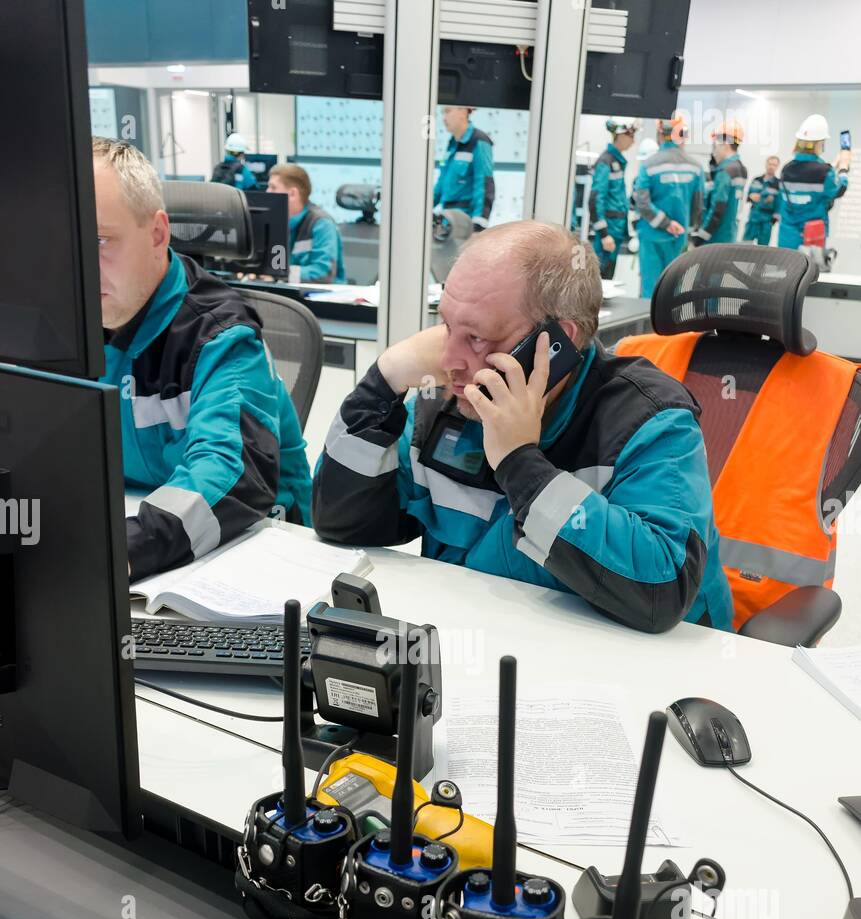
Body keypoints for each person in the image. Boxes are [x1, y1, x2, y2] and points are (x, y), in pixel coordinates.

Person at [313, 221, 732, 634]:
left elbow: (662, 593)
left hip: (627, 673)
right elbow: (344, 523)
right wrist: (382, 383)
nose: (448, 358)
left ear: (555, 342)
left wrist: (520, 463)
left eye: (477, 337)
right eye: (446, 326)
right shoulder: (447, 398)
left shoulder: (650, 420)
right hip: (482, 648)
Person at [92, 138, 311, 581]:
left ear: (157, 233)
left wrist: (115, 553)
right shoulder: (68, 319)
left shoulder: (222, 336)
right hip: (142, 535)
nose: (76, 264)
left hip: (254, 551)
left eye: (100, 240)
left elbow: (228, 474)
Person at [633, 117, 705, 297]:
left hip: (651, 235)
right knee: (674, 287)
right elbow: (698, 205)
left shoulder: (648, 165)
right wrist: (686, 227)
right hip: (679, 237)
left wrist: (665, 223)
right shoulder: (695, 167)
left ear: (660, 134)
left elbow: (642, 202)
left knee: (650, 287)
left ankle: (649, 324)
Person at [777, 115, 850, 250]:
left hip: (787, 237)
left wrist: (832, 166)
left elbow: (808, 183)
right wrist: (844, 168)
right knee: (809, 270)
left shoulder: (786, 169)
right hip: (810, 238)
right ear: (820, 143)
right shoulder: (825, 172)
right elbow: (839, 189)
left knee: (787, 269)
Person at [267, 163, 346, 284]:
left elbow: (323, 274)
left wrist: (280, 275)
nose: (267, 192)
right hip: (288, 292)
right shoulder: (276, 223)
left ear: (292, 193)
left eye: (273, 187)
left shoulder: (322, 224)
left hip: (321, 298)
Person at [589, 117, 640, 278]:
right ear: (620, 135)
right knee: (600, 278)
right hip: (609, 232)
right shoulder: (606, 162)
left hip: (616, 230)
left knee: (608, 277)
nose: (633, 141)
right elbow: (595, 199)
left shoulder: (617, 161)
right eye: (631, 136)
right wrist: (604, 234)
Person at [434, 106, 495, 233]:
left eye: (447, 111)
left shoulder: (479, 141)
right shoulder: (452, 143)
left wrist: (478, 225)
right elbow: (441, 183)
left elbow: (484, 183)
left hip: (465, 224)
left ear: (463, 111)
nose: (444, 118)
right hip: (448, 221)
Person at [690, 122, 748, 246]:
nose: (714, 149)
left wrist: (701, 237)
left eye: (715, 144)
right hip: (729, 236)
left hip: (714, 239)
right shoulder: (741, 169)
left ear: (725, 143)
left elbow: (718, 209)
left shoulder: (725, 171)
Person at [743, 155, 781, 244]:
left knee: (763, 250)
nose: (771, 166)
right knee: (745, 245)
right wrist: (750, 196)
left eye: (774, 165)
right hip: (753, 218)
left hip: (767, 221)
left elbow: (780, 203)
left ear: (777, 167)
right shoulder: (756, 180)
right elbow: (747, 196)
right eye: (770, 164)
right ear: (766, 164)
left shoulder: (778, 184)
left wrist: (775, 218)